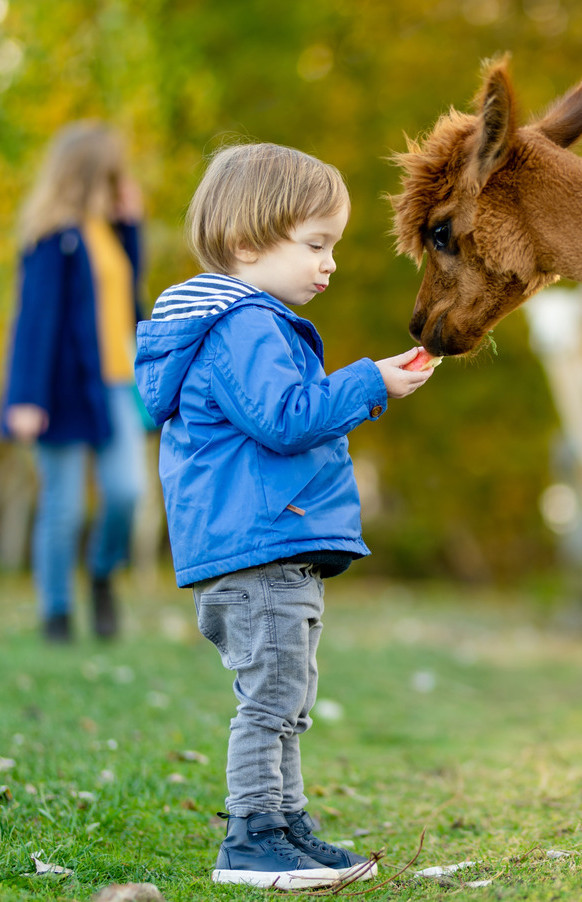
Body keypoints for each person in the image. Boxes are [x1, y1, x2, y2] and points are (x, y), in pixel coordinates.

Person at [134, 142, 434, 889]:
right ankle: (250, 837)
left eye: (332, 245)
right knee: (270, 699)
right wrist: (369, 383)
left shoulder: (251, 323)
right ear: (246, 244)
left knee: (287, 698)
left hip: (269, 547)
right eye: (315, 245)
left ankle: (286, 825)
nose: (329, 263)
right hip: (256, 551)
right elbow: (284, 418)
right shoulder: (244, 328)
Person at [0, 121, 147, 644]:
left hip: (116, 386)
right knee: (61, 506)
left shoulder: (110, 234)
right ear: (91, 173)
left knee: (127, 492)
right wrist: (25, 398)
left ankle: (102, 574)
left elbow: (129, 305)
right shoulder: (52, 238)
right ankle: (56, 615)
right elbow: (33, 322)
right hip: (60, 391)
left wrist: (132, 227)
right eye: (113, 174)